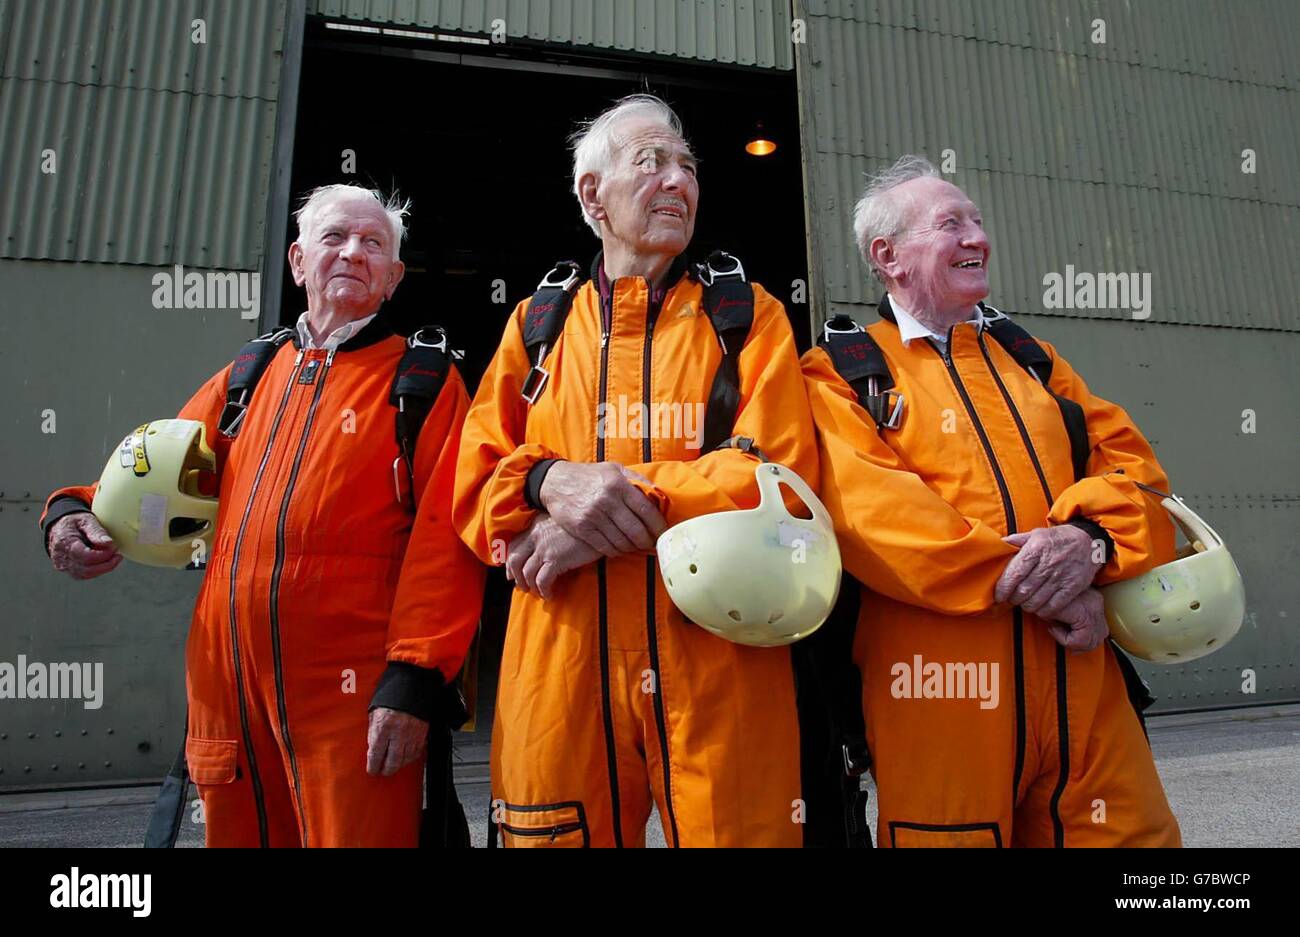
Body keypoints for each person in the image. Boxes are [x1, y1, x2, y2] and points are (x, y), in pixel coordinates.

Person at [42, 184, 483, 847]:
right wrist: (75, 510)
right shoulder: (248, 374)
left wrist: (415, 678)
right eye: (334, 238)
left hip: (355, 698)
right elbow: (155, 473)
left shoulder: (422, 383)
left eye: (374, 245)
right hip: (227, 687)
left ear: (393, 278)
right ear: (299, 261)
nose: (353, 254)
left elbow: (446, 539)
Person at [454, 95, 818, 847]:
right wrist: (546, 482)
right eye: (650, 161)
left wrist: (596, 520)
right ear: (593, 194)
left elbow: (778, 472)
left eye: (687, 167)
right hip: (558, 663)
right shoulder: (538, 324)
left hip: (721, 653)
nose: (677, 181)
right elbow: (473, 476)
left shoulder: (748, 316)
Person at [801, 155, 1182, 847]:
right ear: (888, 256)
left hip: (1083, 684)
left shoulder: (1030, 356)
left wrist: (1091, 543)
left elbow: (1142, 476)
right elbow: (878, 521)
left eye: (977, 220)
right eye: (951, 223)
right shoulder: (842, 373)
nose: (977, 236)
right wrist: (1053, 586)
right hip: (940, 695)